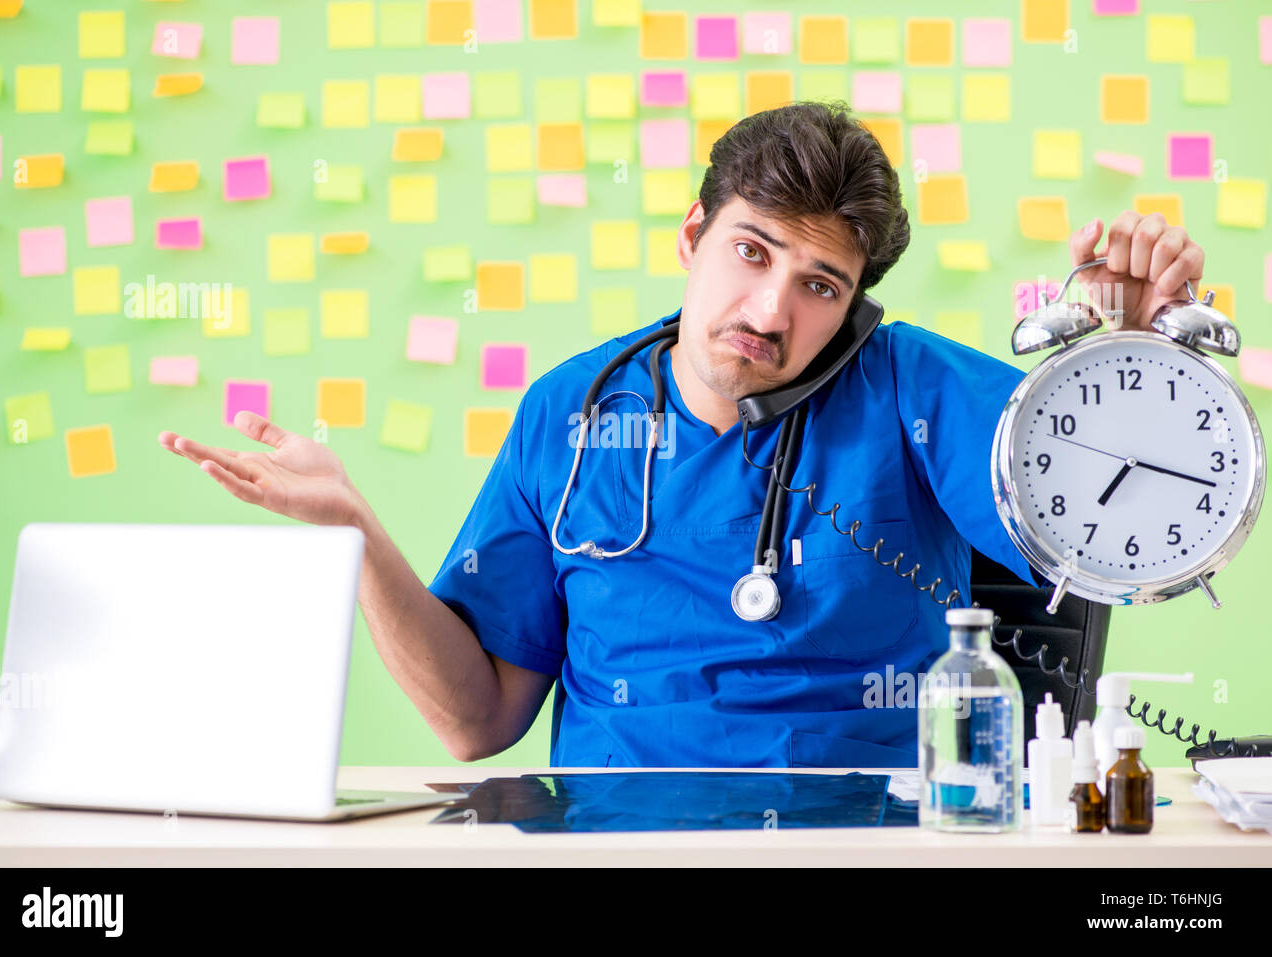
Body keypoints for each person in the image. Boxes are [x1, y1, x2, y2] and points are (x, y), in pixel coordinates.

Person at [159, 101, 1206, 768]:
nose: (767, 311)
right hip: (616, 850)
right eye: (749, 252)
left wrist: (1126, 356)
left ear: (852, 307)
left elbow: (1112, 528)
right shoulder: (572, 412)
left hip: (877, 842)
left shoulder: (912, 382)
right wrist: (352, 528)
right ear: (692, 234)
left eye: (818, 285)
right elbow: (475, 723)